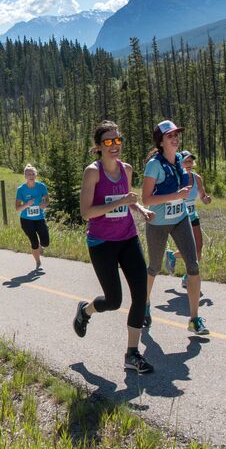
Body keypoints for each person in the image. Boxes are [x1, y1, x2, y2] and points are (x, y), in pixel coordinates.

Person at [72, 121, 156, 374]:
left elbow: (127, 200)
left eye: (118, 140)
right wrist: (120, 201)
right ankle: (85, 310)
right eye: (108, 142)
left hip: (128, 237)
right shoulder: (93, 172)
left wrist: (140, 208)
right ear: (98, 146)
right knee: (113, 300)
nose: (114, 146)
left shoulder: (126, 169)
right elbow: (87, 212)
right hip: (102, 243)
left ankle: (132, 354)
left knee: (141, 294)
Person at [141, 120, 208, 335]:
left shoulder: (179, 160)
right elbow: (147, 199)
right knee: (153, 268)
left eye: (177, 134)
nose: (175, 138)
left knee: (193, 265)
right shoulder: (154, 165)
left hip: (181, 218)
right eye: (170, 136)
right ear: (161, 141)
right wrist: (175, 196)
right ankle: (145, 304)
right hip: (158, 223)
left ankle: (194, 318)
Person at [167, 150, 212, 288]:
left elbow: (203, 196)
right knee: (189, 248)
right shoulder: (177, 177)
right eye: (186, 161)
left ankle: (186, 273)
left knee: (199, 247)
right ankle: (176, 259)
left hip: (193, 215)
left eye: (191, 161)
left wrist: (206, 199)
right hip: (181, 216)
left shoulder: (197, 178)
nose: (189, 163)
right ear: (180, 162)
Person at [15, 164, 50, 273]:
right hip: (26, 220)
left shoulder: (41, 186)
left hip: (39, 218)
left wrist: (44, 204)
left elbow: (47, 200)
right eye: (28, 174)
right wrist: (26, 205)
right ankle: (38, 262)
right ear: (25, 176)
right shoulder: (21, 189)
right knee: (34, 242)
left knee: (45, 242)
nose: (31, 175)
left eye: (33, 173)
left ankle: (41, 246)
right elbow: (17, 208)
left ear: (36, 175)